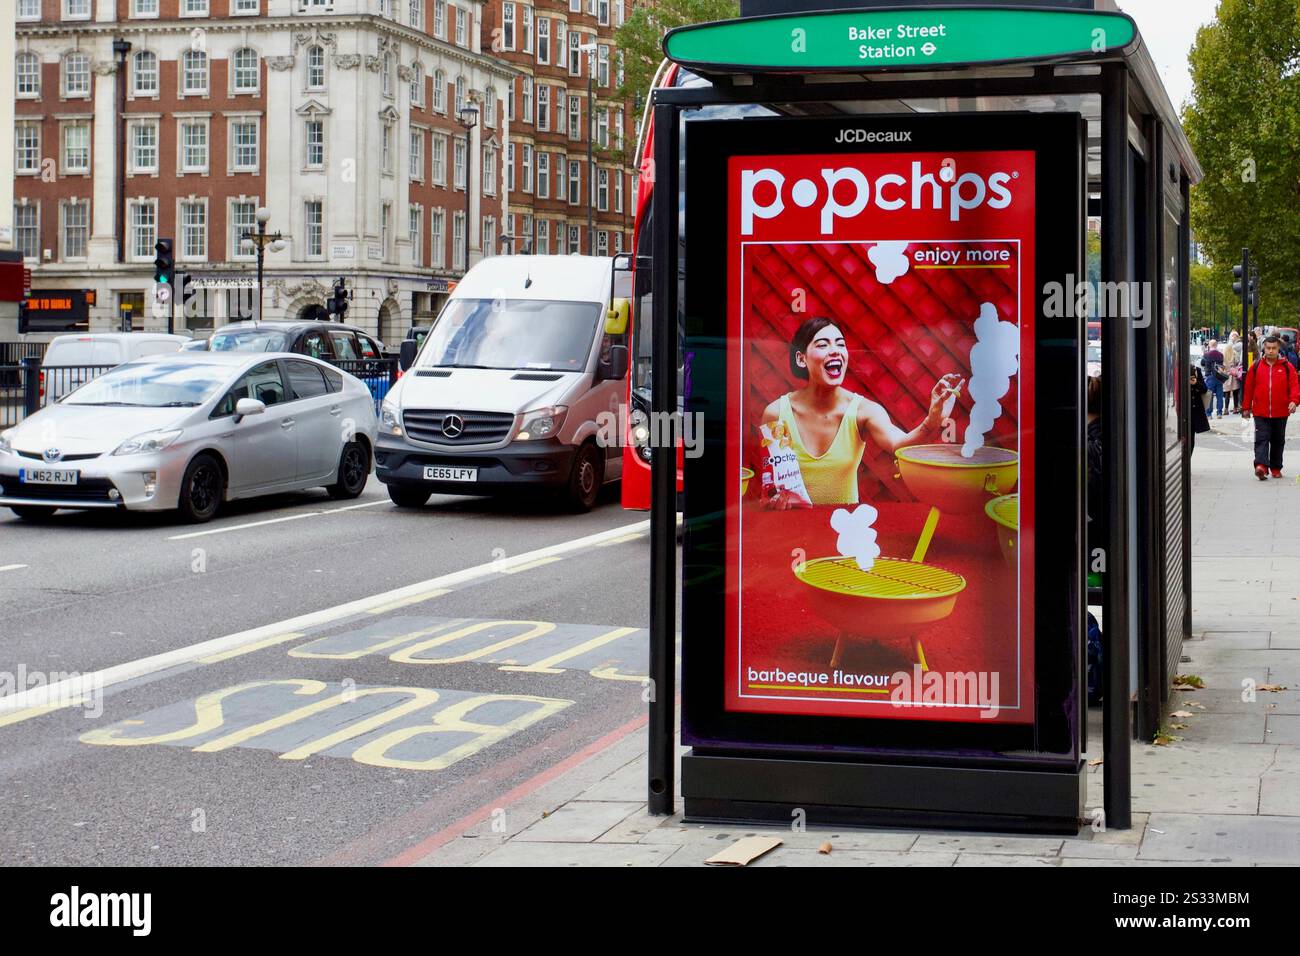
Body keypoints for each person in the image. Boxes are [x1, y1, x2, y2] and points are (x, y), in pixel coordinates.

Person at [760, 316, 962, 506]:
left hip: (844, 531)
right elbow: (771, 487)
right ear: (801, 358)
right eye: (823, 345)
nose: (835, 351)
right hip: (795, 532)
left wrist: (933, 420)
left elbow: (899, 445)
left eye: (840, 344)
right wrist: (774, 498)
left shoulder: (864, 411)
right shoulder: (776, 414)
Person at [1242, 334, 1300, 479]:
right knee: (1261, 438)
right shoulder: (1255, 367)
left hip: (1281, 411)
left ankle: (1275, 467)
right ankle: (1261, 466)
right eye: (1268, 348)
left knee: (1278, 440)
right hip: (1260, 412)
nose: (1271, 351)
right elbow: (1248, 388)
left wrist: (1294, 401)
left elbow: (1294, 386)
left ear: (1278, 349)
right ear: (1264, 348)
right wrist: (1246, 408)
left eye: (1274, 348)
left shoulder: (1287, 367)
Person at [1200, 339, 1226, 418]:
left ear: (1210, 345)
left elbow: (1202, 363)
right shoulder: (1221, 355)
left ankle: (1209, 414)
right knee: (1219, 395)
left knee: (1209, 396)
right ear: (1216, 345)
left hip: (1210, 376)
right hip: (1219, 377)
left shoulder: (1206, 354)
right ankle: (1219, 413)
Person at [1190, 365, 1211, 453]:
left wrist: (1195, 383)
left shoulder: (1196, 370)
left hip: (1194, 411)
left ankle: (1187, 461)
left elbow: (1204, 389)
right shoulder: (1175, 369)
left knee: (1191, 440)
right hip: (1181, 411)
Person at [1223, 331, 1243, 413]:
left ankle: (1226, 409)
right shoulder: (1234, 353)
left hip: (1227, 374)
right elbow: (1238, 361)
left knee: (1227, 392)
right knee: (1235, 392)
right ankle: (1235, 408)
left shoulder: (1224, 353)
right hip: (1234, 374)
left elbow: (1222, 363)